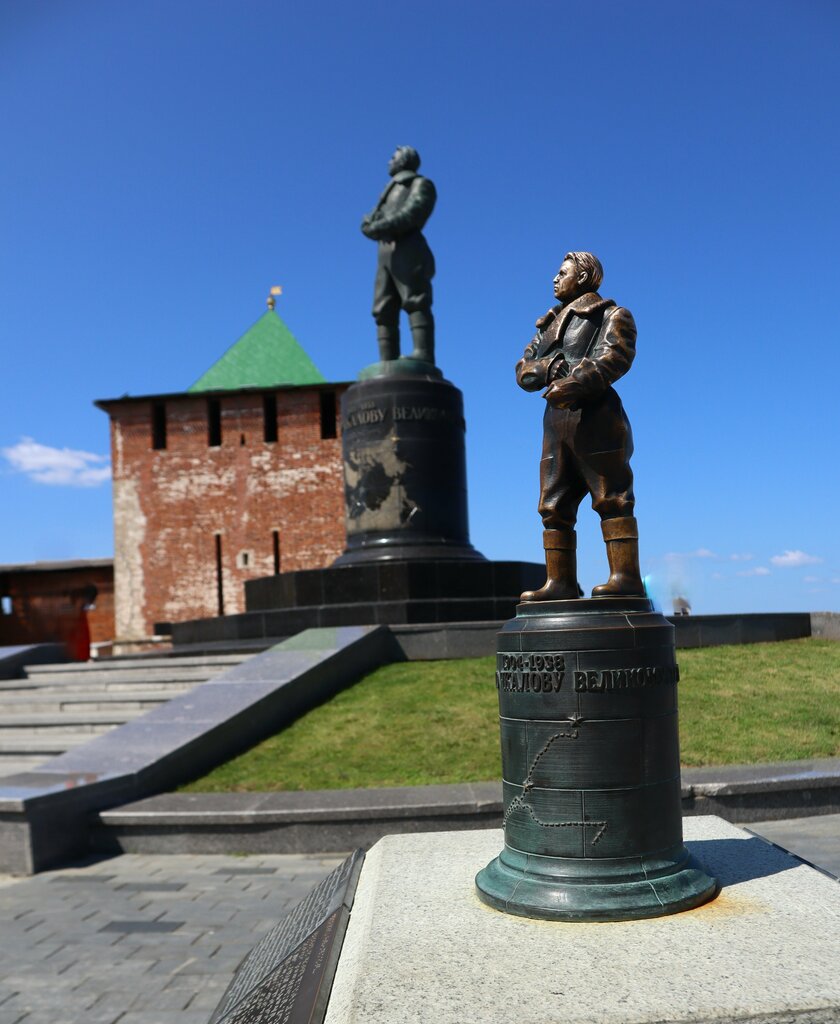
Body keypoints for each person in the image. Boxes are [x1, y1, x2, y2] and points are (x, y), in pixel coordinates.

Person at [515, 252, 645, 601]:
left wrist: (573, 383)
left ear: (584, 277)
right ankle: (560, 584)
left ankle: (626, 577)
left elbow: (615, 357)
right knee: (552, 504)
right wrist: (547, 368)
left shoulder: (611, 315)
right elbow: (523, 368)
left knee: (612, 496)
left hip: (596, 416)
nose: (554, 279)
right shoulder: (546, 326)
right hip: (555, 421)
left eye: (562, 273)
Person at [361, 146, 436, 364]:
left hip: (407, 246)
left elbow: (414, 211)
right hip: (384, 251)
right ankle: (387, 360)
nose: (389, 161)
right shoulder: (389, 189)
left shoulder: (419, 184)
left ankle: (423, 354)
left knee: (415, 299)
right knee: (382, 308)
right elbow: (376, 217)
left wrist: (382, 225)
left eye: (393, 157)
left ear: (405, 159)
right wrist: (370, 224)